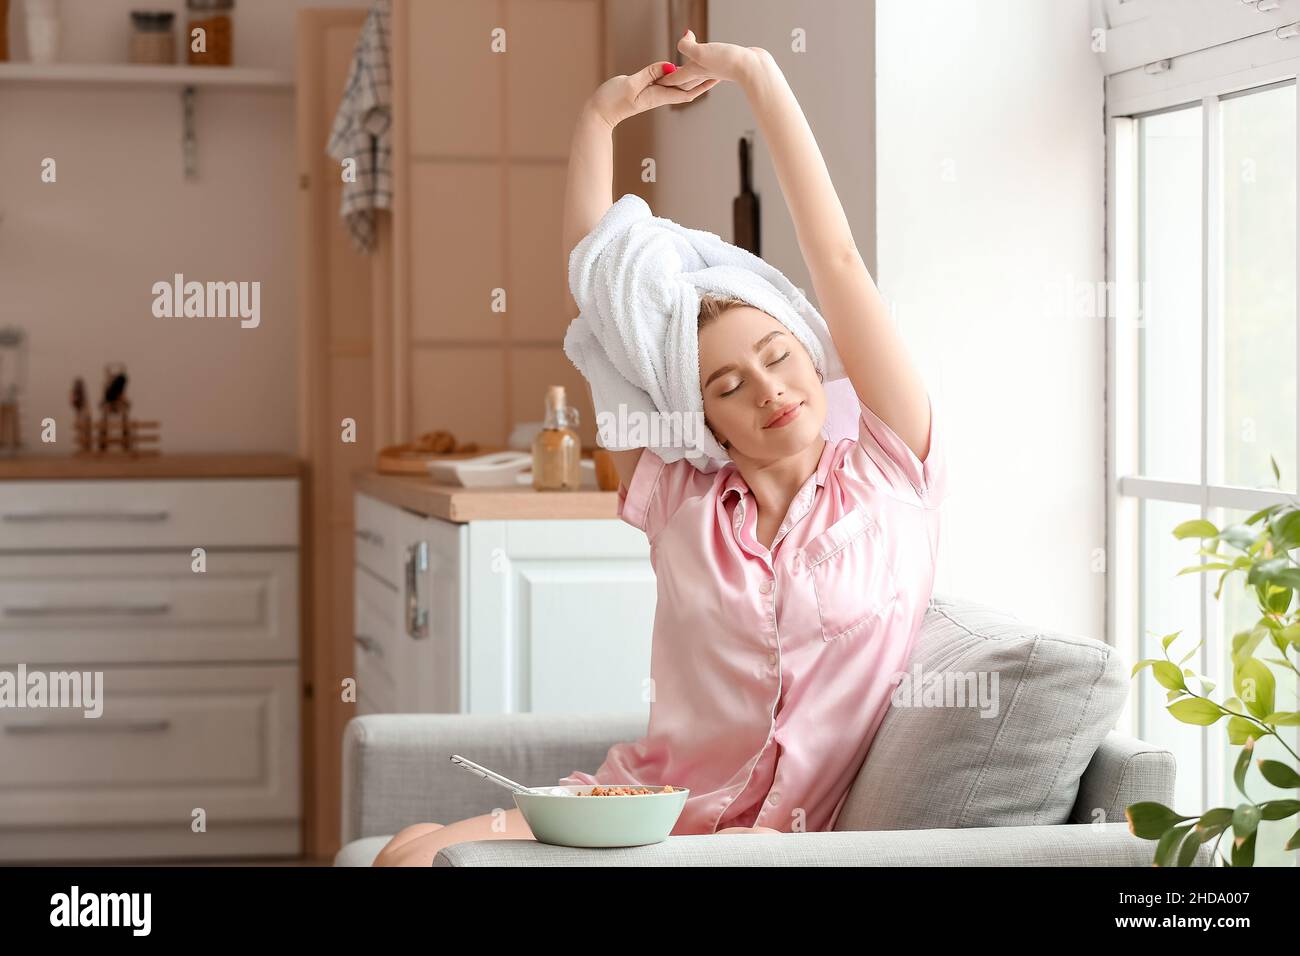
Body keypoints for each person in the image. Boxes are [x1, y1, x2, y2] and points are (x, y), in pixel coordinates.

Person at [371, 30, 945, 867]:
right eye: (728, 387)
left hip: (768, 848)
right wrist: (599, 119)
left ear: (810, 354)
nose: (768, 389)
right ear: (703, 421)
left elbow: (839, 260)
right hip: (636, 811)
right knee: (406, 856)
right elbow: (601, 310)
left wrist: (761, 78)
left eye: (779, 356)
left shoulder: (893, 469)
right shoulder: (682, 501)